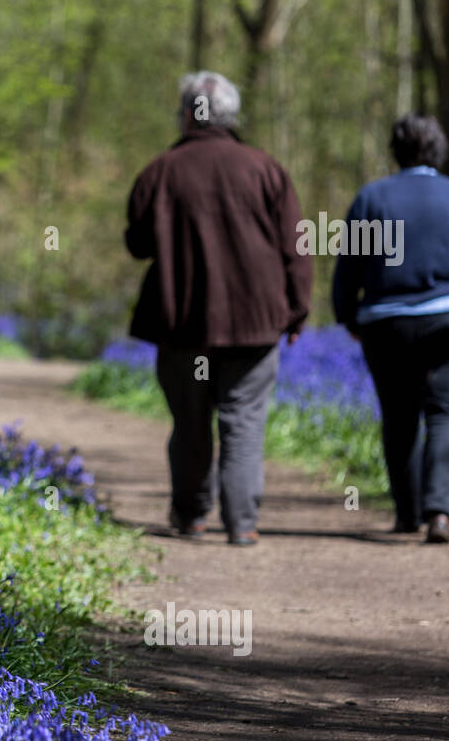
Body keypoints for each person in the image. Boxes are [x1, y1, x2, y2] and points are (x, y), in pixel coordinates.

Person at [125, 70, 311, 546]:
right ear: (230, 115)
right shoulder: (266, 169)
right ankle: (241, 523)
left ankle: (191, 516)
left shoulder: (159, 172)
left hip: (183, 322)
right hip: (255, 322)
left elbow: (138, 243)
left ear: (188, 115)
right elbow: (296, 246)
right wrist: (297, 309)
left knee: (190, 421)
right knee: (244, 420)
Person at [332, 114, 449, 544]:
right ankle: (440, 513)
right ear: (439, 151)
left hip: (386, 324)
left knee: (398, 416)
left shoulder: (371, 199)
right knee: (446, 414)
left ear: (396, 151)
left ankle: (406, 514)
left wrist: (348, 317)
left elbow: (347, 271)